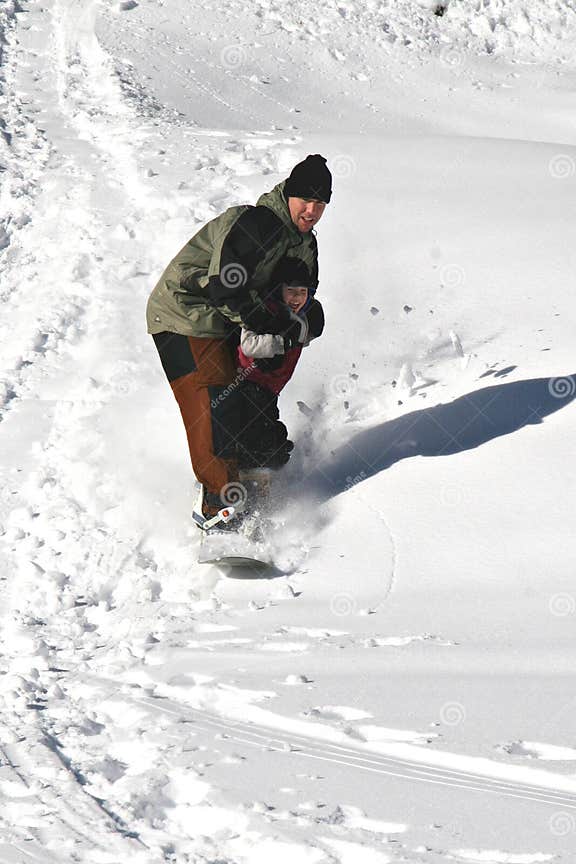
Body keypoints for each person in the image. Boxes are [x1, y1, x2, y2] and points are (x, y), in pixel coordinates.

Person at [146, 154, 332, 524]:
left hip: (229, 324)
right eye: (305, 199)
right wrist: (264, 323)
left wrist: (304, 322)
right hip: (184, 315)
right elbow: (224, 287)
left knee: (250, 399)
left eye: (320, 202)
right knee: (215, 398)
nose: (311, 210)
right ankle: (218, 503)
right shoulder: (258, 224)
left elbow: (299, 300)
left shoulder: (305, 245)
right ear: (289, 195)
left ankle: (250, 481)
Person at [233, 257, 325, 470]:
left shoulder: (301, 318)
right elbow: (248, 345)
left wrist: (310, 333)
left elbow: (299, 342)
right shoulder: (264, 312)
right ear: (279, 290)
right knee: (256, 433)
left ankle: (269, 477)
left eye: (303, 292)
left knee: (274, 439)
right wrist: (280, 343)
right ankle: (240, 473)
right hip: (247, 383)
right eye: (291, 291)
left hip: (269, 390)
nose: (297, 298)